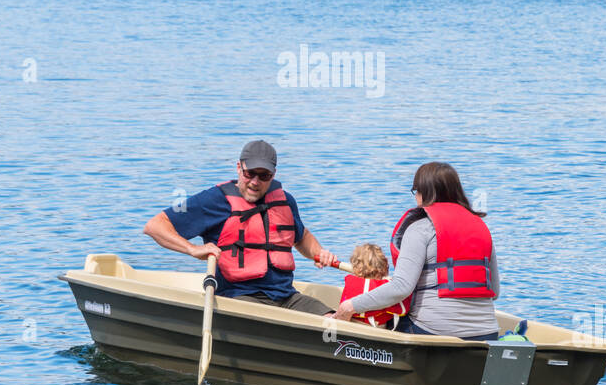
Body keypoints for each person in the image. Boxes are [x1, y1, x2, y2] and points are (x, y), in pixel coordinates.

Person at [142, 140, 336, 316]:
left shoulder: (285, 201)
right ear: (238, 168)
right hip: (238, 299)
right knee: (266, 318)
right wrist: (193, 249)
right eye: (249, 173)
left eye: (264, 175)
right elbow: (155, 226)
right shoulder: (215, 200)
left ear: (273, 175)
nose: (255, 182)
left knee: (332, 320)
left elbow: (301, 237)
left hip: (287, 298)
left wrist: (319, 253)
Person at [332, 162, 500, 339]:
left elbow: (401, 287)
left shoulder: (420, 228)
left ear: (424, 193)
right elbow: (494, 291)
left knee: (380, 320)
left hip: (432, 332)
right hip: (487, 333)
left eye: (416, 191)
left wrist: (350, 306)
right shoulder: (481, 228)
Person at [337, 243, 406, 329]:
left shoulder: (354, 286)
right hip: (384, 330)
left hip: (357, 329)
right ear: (385, 266)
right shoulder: (389, 288)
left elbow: (342, 314)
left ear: (355, 267)